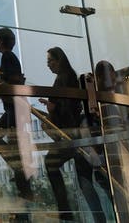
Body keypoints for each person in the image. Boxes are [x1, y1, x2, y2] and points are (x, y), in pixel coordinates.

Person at [41, 47, 106, 221]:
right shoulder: (69, 76)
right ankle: (99, 218)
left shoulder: (63, 78)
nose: (48, 65)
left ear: (59, 59)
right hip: (76, 133)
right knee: (85, 182)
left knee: (50, 162)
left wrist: (52, 108)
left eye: (50, 61)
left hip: (72, 135)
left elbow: (66, 107)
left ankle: (65, 210)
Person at [0, 27, 33, 201]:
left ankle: (25, 189)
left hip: (15, 107)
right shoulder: (9, 57)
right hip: (12, 107)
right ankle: (18, 172)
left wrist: (1, 78)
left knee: (9, 144)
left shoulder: (8, 57)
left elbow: (13, 79)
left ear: (1, 41)